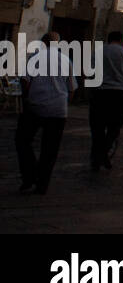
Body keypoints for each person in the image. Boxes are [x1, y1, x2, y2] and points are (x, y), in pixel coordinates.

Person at [15, 32, 79, 195]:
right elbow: (72, 88)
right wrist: (64, 103)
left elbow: (25, 81)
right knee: (50, 149)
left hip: (36, 107)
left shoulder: (34, 58)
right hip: (58, 110)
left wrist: (26, 99)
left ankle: (29, 175)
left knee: (22, 141)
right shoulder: (66, 61)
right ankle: (42, 183)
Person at [88, 30, 123, 171]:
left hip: (99, 93)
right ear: (121, 40)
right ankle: (103, 155)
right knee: (114, 128)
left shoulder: (98, 52)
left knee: (97, 128)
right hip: (117, 94)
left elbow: (90, 73)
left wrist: (90, 92)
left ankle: (98, 157)